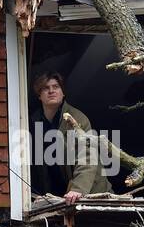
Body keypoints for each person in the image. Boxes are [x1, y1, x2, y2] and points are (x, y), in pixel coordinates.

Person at [29, 71, 112, 205]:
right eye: (46, 88)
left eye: (56, 87)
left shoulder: (77, 118)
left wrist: (78, 189)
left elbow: (87, 156)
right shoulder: (33, 121)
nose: (51, 91)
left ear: (63, 92)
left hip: (90, 193)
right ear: (39, 95)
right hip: (57, 195)